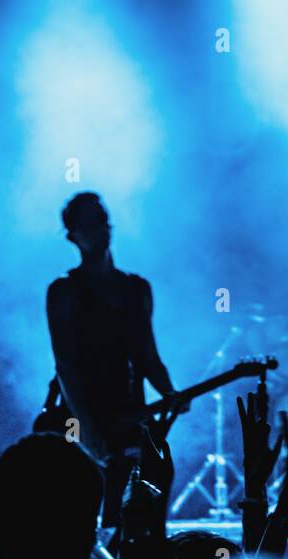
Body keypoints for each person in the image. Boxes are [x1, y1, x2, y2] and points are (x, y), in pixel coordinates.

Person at [46, 192, 182, 525]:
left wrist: (169, 392)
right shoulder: (64, 291)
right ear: (72, 235)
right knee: (85, 516)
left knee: (144, 509)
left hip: (132, 417)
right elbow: (65, 366)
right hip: (84, 419)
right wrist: (88, 432)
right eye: (90, 222)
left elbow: (148, 355)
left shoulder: (137, 289)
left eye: (104, 219)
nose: (101, 228)